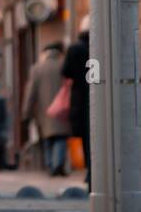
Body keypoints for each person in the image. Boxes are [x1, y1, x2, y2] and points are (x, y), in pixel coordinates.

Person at [21, 42, 71, 176]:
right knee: (60, 137)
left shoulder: (37, 68)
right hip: (63, 108)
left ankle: (51, 165)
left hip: (43, 111)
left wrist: (26, 112)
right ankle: (57, 164)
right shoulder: (63, 66)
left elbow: (30, 93)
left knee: (47, 139)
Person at [61, 15, 92, 190]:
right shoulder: (101, 46)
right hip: (100, 97)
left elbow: (66, 72)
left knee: (85, 136)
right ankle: (97, 170)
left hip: (80, 98)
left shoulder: (75, 49)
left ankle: (90, 169)